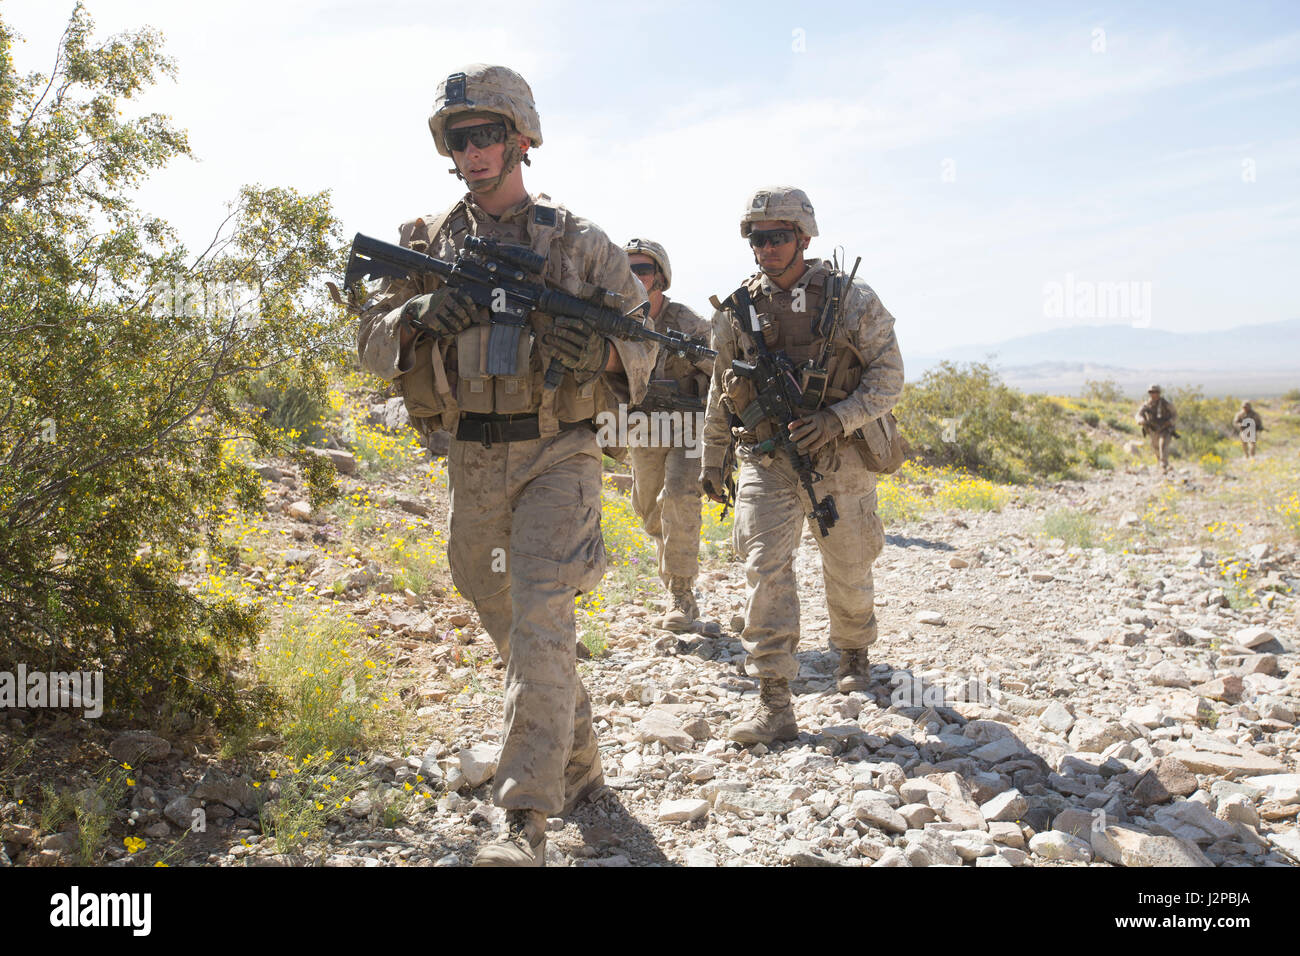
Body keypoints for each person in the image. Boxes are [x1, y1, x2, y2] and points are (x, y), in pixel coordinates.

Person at [356, 64, 653, 866]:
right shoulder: (425, 242)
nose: (476, 149)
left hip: (560, 450)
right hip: (472, 458)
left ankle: (524, 815)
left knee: (544, 616)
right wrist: (415, 313)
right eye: (462, 137)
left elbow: (647, 348)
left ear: (521, 139)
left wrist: (600, 349)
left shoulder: (582, 242)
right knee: (504, 610)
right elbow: (369, 343)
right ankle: (579, 760)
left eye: (489, 134)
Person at [698, 186, 904, 745]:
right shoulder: (738, 309)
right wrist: (712, 457)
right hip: (767, 458)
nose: (765, 247)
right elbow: (721, 388)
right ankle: (773, 700)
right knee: (764, 567)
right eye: (757, 238)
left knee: (850, 564)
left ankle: (854, 649)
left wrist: (838, 419)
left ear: (805, 238)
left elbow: (888, 378)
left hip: (841, 455)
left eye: (778, 236)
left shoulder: (852, 299)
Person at [622, 239, 713, 632]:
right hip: (642, 426)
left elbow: (723, 373)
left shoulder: (687, 321)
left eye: (642, 270)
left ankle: (681, 593)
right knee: (650, 510)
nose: (636, 278)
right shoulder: (618, 316)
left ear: (660, 276)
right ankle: (673, 573)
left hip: (688, 425)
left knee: (679, 495)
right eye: (628, 270)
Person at [1136, 384, 1177, 473]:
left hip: (1165, 429)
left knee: (1163, 445)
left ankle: (1163, 465)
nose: (1153, 394)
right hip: (1153, 430)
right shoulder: (1147, 404)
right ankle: (1160, 463)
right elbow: (1138, 414)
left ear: (1159, 393)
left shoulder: (1165, 404)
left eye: (1155, 392)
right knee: (1155, 447)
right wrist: (1141, 420)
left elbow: (1174, 415)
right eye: (1151, 392)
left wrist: (1170, 422)